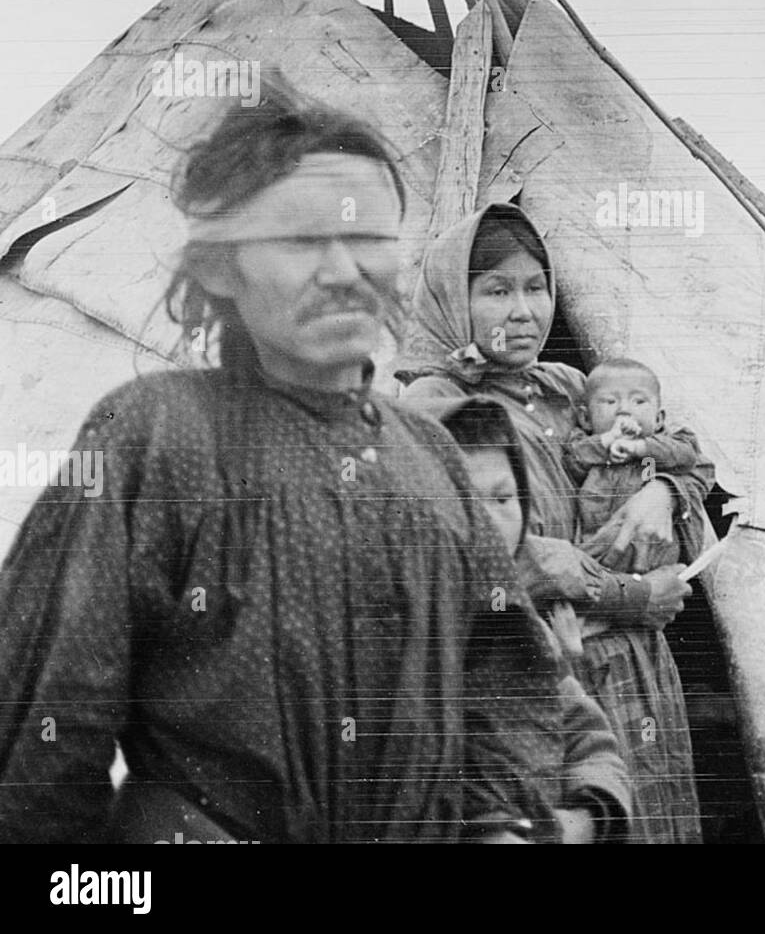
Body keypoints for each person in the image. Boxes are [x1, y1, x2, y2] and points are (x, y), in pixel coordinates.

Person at [0, 79, 557, 844]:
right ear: (222, 267)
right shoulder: (157, 435)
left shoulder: (427, 452)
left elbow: (506, 664)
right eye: (300, 240)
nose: (343, 271)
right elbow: (49, 720)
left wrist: (497, 821)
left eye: (367, 239)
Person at [397, 203, 709, 843]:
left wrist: (667, 492)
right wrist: (634, 594)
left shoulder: (570, 388)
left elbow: (682, 451)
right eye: (497, 290)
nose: (524, 311)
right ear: (454, 299)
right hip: (537, 670)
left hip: (632, 667)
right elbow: (489, 556)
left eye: (536, 288)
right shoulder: (433, 407)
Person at [439, 396, 632, 844]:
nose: (488, 521)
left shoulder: (521, 628)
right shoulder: (394, 643)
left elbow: (587, 737)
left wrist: (578, 823)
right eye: (460, 500)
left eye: (503, 498)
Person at [564, 357, 708, 571]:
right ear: (586, 418)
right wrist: (608, 440)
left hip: (658, 552)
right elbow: (573, 460)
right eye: (610, 402)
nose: (624, 410)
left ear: (659, 419)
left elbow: (688, 457)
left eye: (639, 402)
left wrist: (640, 447)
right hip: (598, 550)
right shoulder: (585, 444)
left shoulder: (670, 442)